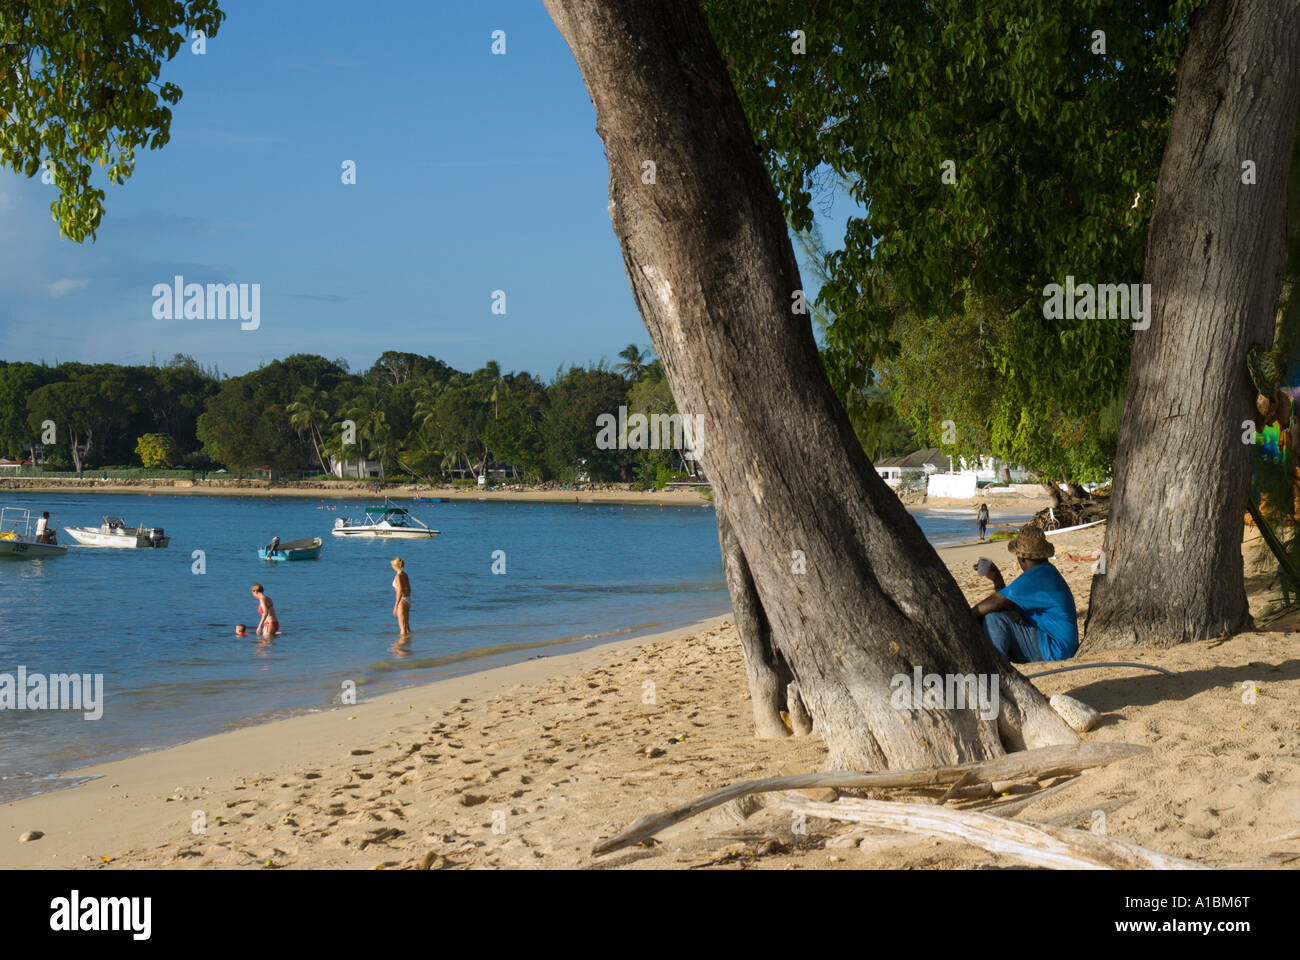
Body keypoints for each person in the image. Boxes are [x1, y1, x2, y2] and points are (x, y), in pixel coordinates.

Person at [970, 525, 1077, 663]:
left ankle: (996, 668)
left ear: (1021, 559)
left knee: (993, 619)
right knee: (995, 616)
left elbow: (997, 602)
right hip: (1058, 645)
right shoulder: (1046, 572)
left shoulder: (1035, 577)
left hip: (1055, 649)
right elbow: (1006, 605)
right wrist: (997, 578)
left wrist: (964, 617)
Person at [391, 557, 411, 636]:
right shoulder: (405, 574)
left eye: (392, 565)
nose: (392, 567)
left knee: (402, 627)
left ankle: (400, 647)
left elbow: (399, 591)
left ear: (395, 566)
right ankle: (408, 645)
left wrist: (396, 605)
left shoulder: (398, 577)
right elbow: (409, 589)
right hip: (408, 599)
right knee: (407, 627)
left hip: (401, 600)